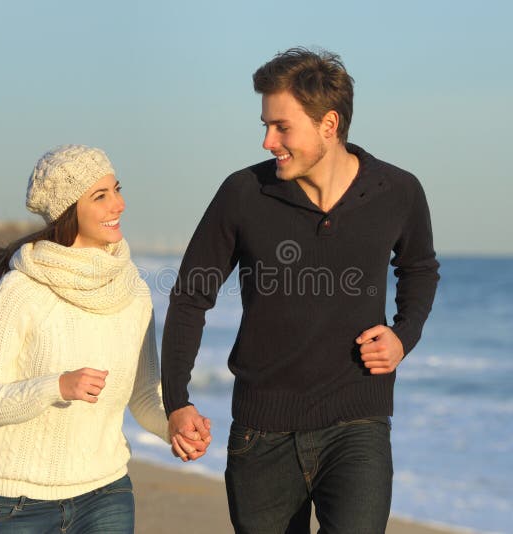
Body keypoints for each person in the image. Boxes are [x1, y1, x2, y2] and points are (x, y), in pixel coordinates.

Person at [161, 48, 440, 533]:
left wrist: (403, 335)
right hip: (260, 434)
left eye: (281, 127)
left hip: (358, 423)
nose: (268, 140)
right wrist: (177, 401)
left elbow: (418, 268)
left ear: (328, 124)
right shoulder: (243, 193)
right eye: (266, 125)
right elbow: (190, 295)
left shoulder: (398, 191)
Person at [0, 144, 196, 533]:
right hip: (18, 505)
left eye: (117, 189)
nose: (119, 204)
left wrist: (172, 424)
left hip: (107, 494)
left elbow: (143, 397)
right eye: (101, 195)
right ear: (68, 209)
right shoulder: (22, 289)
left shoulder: (134, 292)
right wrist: (57, 386)